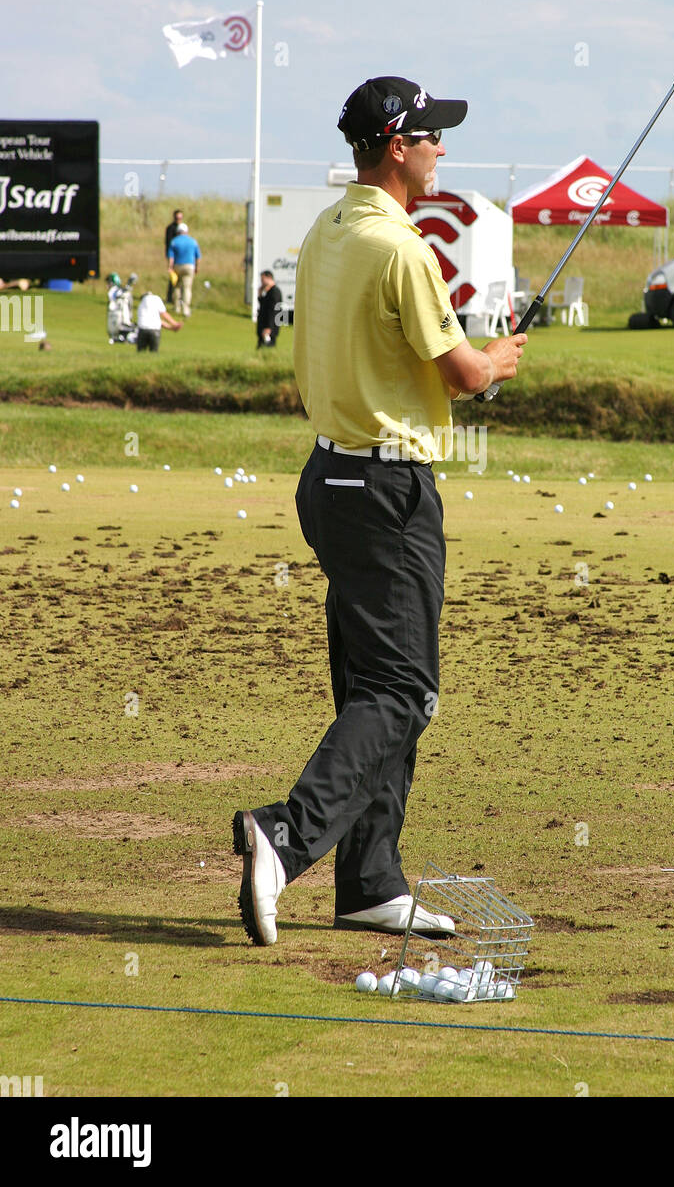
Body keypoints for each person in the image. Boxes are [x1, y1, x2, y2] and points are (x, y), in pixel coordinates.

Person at [233, 75, 527, 944]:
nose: (444, 149)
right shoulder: (403, 249)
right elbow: (465, 375)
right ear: (396, 146)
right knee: (403, 689)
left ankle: (370, 882)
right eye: (433, 136)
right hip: (387, 486)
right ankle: (283, 839)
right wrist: (501, 359)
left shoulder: (328, 227)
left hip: (329, 479)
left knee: (376, 683)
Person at [166, 221, 201, 317]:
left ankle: (177, 307)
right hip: (190, 266)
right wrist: (197, 267)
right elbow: (198, 256)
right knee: (187, 288)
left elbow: (171, 257)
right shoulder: (193, 241)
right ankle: (186, 309)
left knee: (177, 287)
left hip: (177, 266)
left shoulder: (174, 241)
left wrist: (170, 267)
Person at [256, 270, 283, 348]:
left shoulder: (274, 292)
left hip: (269, 328)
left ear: (269, 278)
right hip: (265, 326)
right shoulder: (268, 291)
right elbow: (263, 306)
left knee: (267, 348)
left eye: (263, 280)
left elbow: (273, 312)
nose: (261, 282)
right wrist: (260, 294)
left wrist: (269, 327)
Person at [164, 209, 183, 306]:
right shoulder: (170, 228)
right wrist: (169, 257)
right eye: (177, 217)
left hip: (181, 257)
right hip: (173, 256)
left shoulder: (183, 228)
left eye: (180, 218)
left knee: (181, 279)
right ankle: (170, 297)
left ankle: (180, 298)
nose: (179, 219)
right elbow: (168, 243)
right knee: (173, 277)